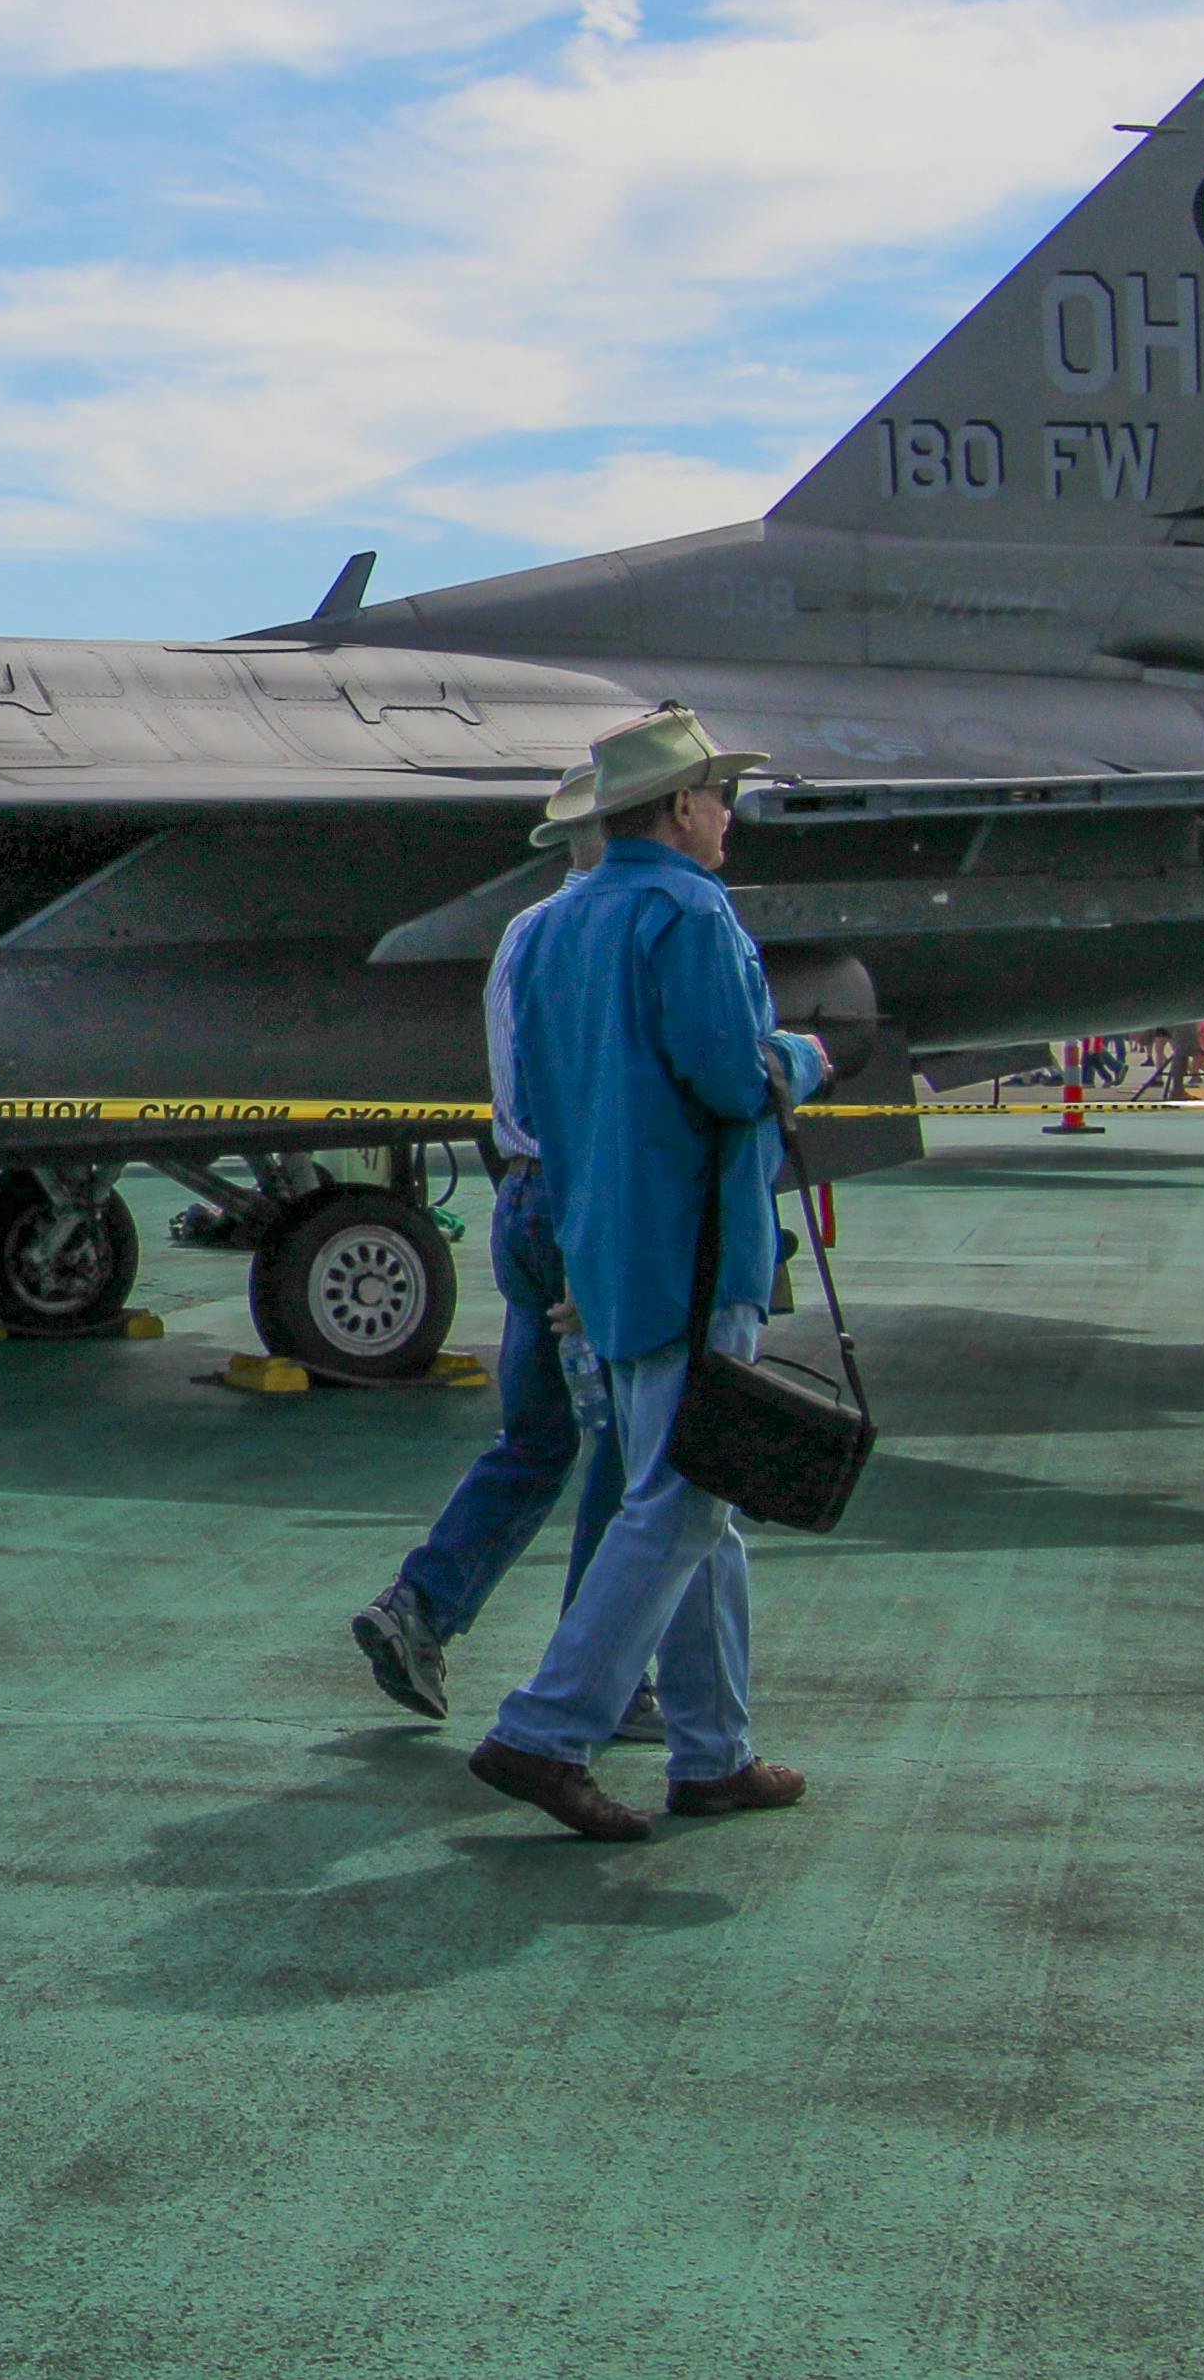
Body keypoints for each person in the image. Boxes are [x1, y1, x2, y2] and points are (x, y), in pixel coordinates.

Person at [462, 708, 828, 1841]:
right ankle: (548, 1725)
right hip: (695, 1245)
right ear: (677, 805)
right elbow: (727, 1078)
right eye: (717, 795)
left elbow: (554, 1108)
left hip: (607, 1247)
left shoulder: (555, 926)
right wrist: (802, 1058)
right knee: (682, 1498)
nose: (728, 816)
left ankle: (712, 1753)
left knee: (700, 1500)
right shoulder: (688, 909)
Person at [351, 766, 646, 1739]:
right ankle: (601, 1670)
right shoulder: (601, 934)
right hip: (575, 1197)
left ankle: (421, 1607)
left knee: (536, 1437)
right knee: (625, 1444)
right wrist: (598, 1245)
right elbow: (596, 1093)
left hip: (520, 1194)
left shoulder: (522, 933)